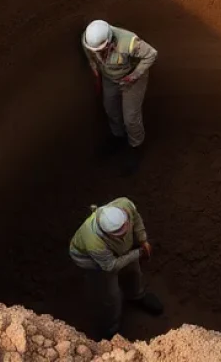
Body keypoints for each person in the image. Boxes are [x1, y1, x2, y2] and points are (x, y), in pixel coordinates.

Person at [68, 198, 163, 339]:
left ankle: (137, 297)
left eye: (126, 227)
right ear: (106, 233)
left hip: (120, 249)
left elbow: (136, 219)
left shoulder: (124, 205)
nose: (125, 232)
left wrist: (143, 240)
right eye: (119, 233)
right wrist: (138, 253)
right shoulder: (94, 241)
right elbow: (111, 266)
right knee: (110, 294)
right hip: (91, 261)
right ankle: (110, 329)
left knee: (134, 272)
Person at [83, 20, 158, 171]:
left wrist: (134, 75)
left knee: (130, 117)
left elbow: (151, 54)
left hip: (130, 78)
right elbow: (91, 57)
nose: (98, 52)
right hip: (110, 77)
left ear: (110, 40)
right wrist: (96, 73)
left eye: (102, 49)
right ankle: (117, 137)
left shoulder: (128, 42)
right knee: (110, 108)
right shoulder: (87, 40)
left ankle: (135, 146)